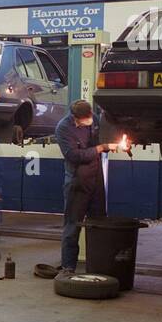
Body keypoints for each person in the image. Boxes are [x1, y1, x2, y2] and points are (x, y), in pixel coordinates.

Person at [55, 100, 117, 274]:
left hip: (96, 178)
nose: (91, 120)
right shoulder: (63, 128)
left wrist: (112, 145)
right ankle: (68, 267)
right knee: (72, 226)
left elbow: (103, 140)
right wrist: (100, 148)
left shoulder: (94, 119)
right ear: (75, 118)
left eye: (91, 116)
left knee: (98, 223)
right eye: (86, 118)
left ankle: (99, 264)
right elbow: (73, 155)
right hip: (77, 181)